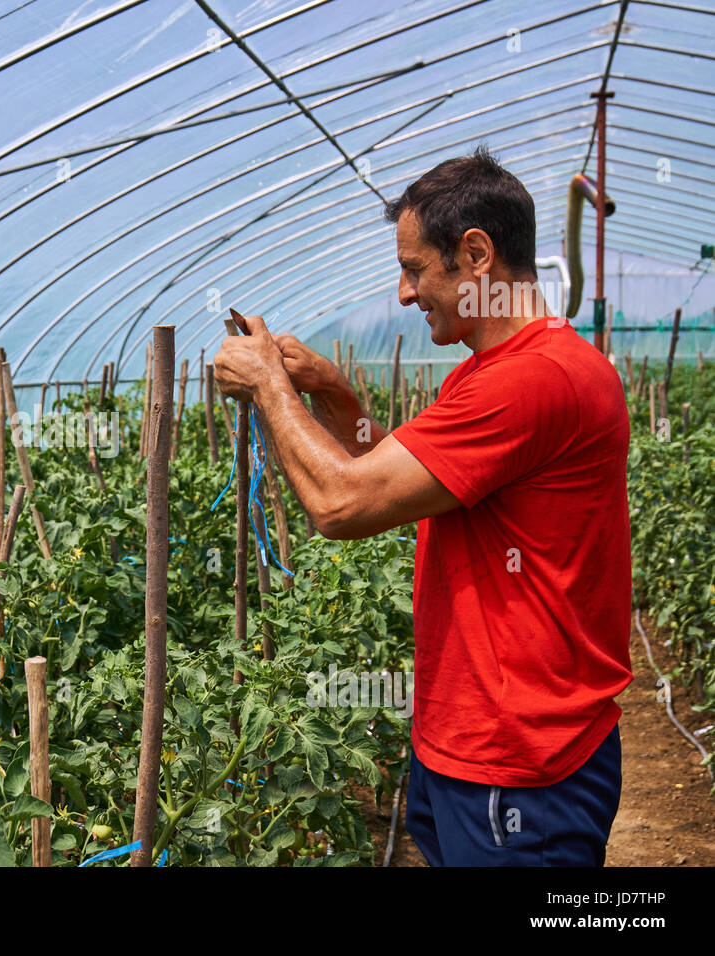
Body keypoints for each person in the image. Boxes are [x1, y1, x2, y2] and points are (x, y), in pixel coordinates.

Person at [212, 146, 632, 866]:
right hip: (468, 745)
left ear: (475, 255)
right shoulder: (495, 373)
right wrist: (337, 395)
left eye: (414, 269)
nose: (405, 294)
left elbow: (343, 503)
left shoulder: (530, 382)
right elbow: (391, 469)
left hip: (520, 765)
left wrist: (268, 387)